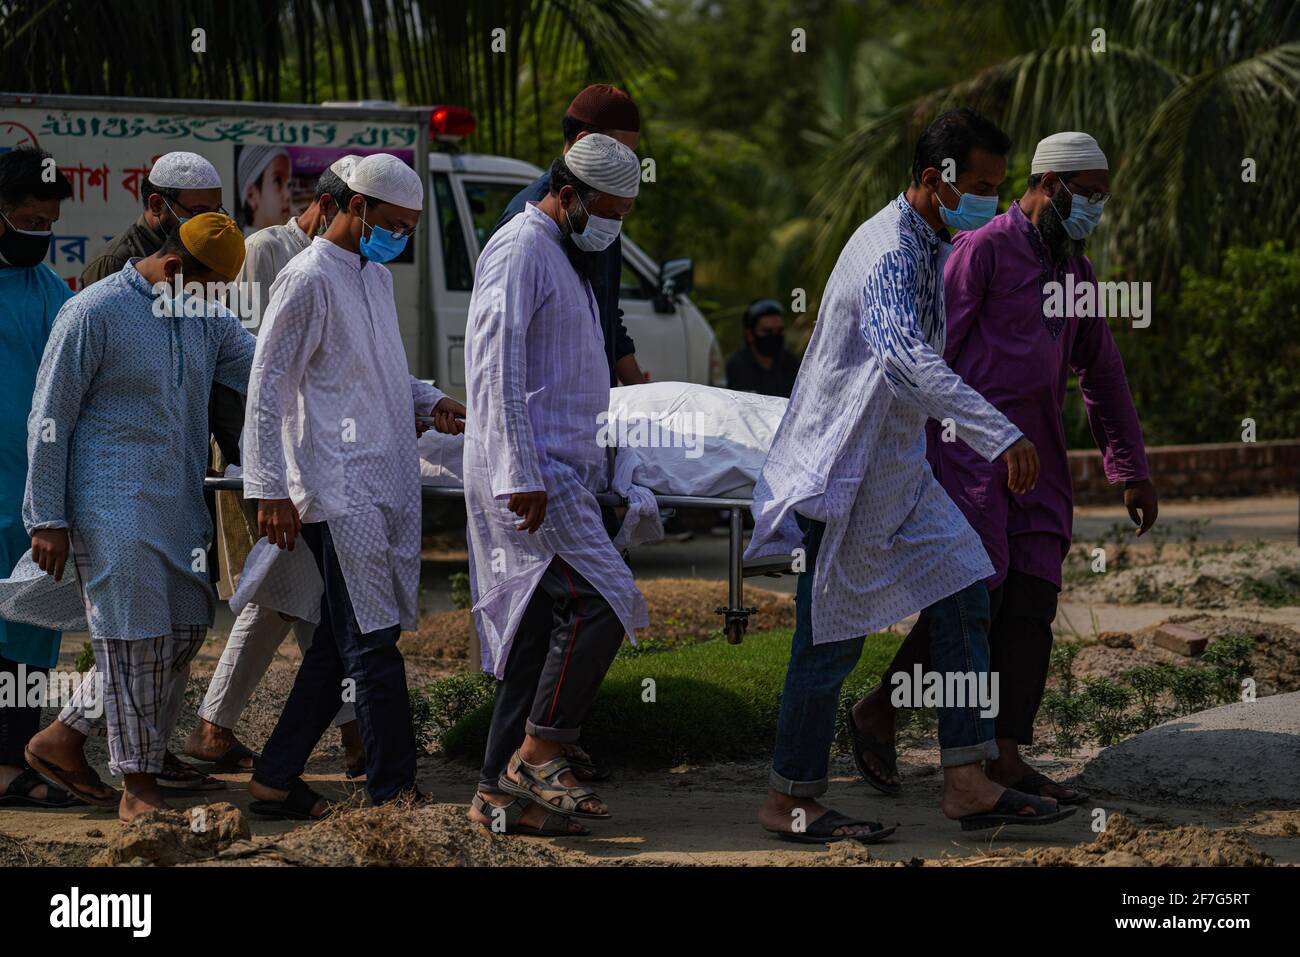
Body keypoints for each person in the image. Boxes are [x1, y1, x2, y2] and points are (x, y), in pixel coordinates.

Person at [745, 108, 1076, 843]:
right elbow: (905, 359)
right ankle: (788, 797)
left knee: (965, 590)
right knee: (828, 638)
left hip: (898, 467)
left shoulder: (932, 241)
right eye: (983, 186)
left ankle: (966, 777)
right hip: (847, 473)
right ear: (935, 179)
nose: (994, 200)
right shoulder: (892, 252)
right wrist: (999, 432)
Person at [849, 131, 1157, 802]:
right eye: (1088, 195)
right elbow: (932, 353)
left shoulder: (1075, 274)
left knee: (1031, 607)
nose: (1094, 209)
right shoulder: (981, 251)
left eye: (1103, 198)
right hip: (968, 457)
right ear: (1047, 184)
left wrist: (1131, 466)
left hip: (1038, 463)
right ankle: (886, 709)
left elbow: (1099, 371)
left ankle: (1007, 755)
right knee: (972, 599)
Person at [242, 153, 465, 820]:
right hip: (339, 486)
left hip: (388, 477)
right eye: (393, 223)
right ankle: (393, 788)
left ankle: (275, 777)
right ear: (356, 207)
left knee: (343, 642)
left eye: (409, 228)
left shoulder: (373, 278)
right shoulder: (306, 277)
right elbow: (266, 388)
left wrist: (430, 402)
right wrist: (268, 487)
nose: (399, 237)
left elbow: (380, 375)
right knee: (374, 642)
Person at [23, 214, 255, 822]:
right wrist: (46, 517)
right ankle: (139, 787)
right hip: (108, 503)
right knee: (134, 636)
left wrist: (399, 397)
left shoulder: (202, 316)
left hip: (176, 503)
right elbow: (49, 418)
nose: (219, 304)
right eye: (213, 288)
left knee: (181, 630)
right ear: (177, 268)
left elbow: (264, 372)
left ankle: (63, 738)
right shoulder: (92, 313)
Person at [464, 135, 648, 837]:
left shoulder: (569, 254)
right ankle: (540, 753)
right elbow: (495, 369)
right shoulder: (520, 249)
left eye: (625, 215)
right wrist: (520, 471)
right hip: (534, 472)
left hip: (565, 469)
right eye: (607, 212)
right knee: (602, 596)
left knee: (537, 632)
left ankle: (499, 796)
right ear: (567, 195)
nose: (614, 228)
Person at [184, 156, 365, 775]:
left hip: (314, 462)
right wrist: (258, 472)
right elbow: (251, 373)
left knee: (289, 591)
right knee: (296, 591)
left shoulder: (354, 264)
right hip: (260, 462)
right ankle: (354, 728)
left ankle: (218, 728)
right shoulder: (267, 253)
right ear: (332, 205)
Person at [0, 147, 80, 810]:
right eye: (29, 219)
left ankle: (13, 758)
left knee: (30, 640)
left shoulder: (53, 292)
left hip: (32, 505)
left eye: (48, 222)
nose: (40, 234)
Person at [491, 84, 644, 388]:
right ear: (566, 198)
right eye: (621, 152)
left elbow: (606, 318)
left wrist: (647, 401)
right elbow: (500, 362)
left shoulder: (600, 216)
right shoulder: (525, 233)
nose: (626, 165)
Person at [725, 298, 801, 397]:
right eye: (767, 331)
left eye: (779, 331)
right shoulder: (737, 364)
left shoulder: (791, 363)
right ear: (750, 335)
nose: (774, 336)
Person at [237, 146, 294, 232]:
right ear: (251, 196)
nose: (287, 195)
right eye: (277, 181)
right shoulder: (244, 244)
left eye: (289, 184)